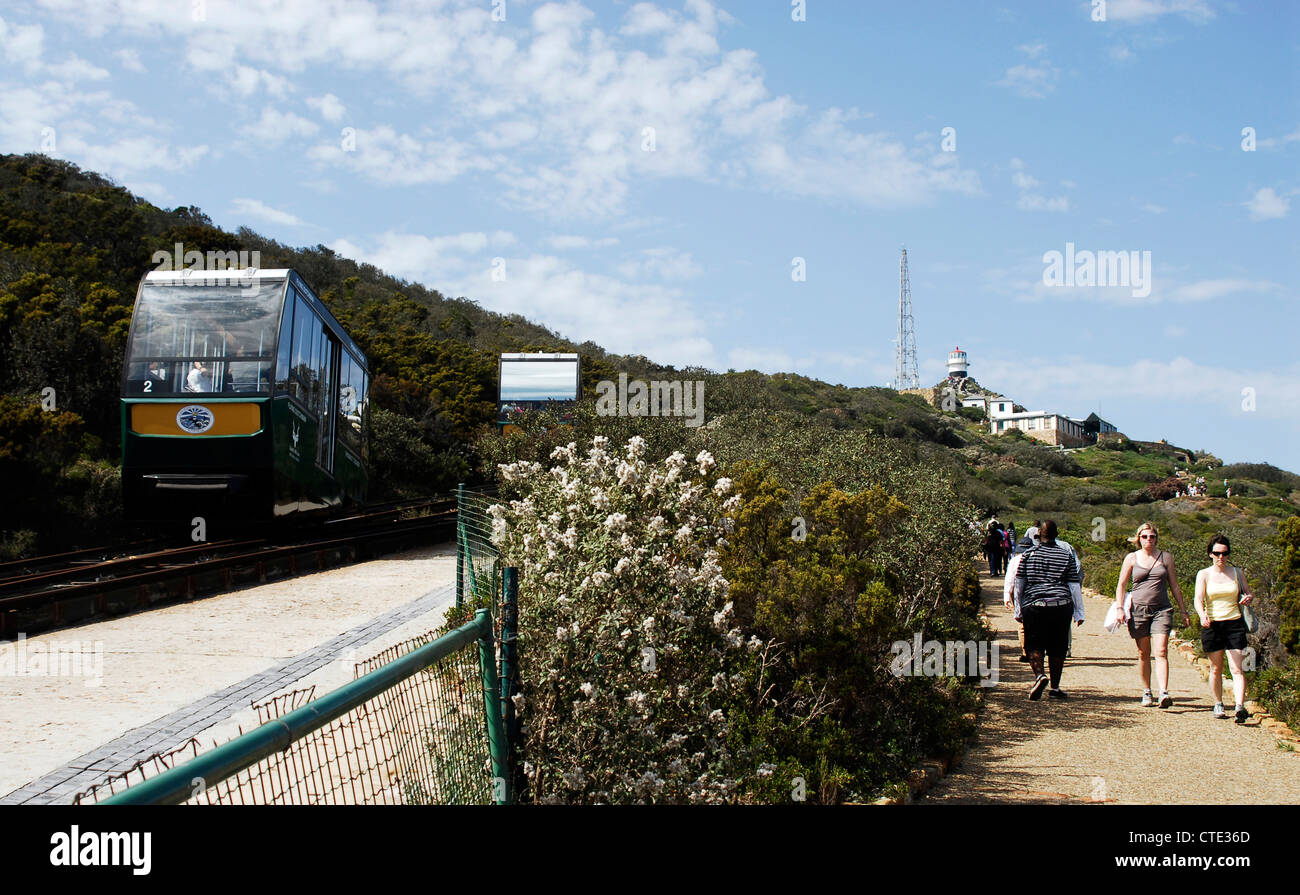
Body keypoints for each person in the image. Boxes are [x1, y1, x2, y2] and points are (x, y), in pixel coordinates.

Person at [1114, 523, 1192, 708]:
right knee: (1143, 653)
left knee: (1162, 651)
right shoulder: (1131, 558)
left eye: (1152, 536)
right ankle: (1147, 691)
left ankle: (1164, 692)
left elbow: (1174, 585)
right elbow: (1122, 585)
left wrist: (1183, 610)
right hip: (1139, 610)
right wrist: (1119, 608)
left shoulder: (1166, 558)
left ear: (1157, 538)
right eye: (1145, 536)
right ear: (1138, 538)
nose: (1149, 540)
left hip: (1162, 610)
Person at [1014, 520, 1084, 700]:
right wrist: (1079, 612)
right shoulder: (1065, 555)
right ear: (1056, 534)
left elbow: (1019, 584)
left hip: (1034, 604)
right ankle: (1055, 687)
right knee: (1057, 647)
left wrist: (1018, 609)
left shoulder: (1028, 555)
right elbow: (1073, 585)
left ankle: (1039, 675)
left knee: (1034, 644)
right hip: (1060, 605)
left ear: (1038, 535)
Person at [1194, 535, 1253, 723]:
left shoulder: (1237, 572)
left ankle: (1239, 707)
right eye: (1217, 553)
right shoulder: (1203, 574)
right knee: (1216, 668)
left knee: (1237, 668)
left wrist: (1247, 598)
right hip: (1213, 624)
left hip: (1234, 623)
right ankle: (1218, 703)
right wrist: (1202, 615)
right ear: (1210, 554)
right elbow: (1198, 598)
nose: (1221, 557)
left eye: (1225, 553)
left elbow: (1248, 592)